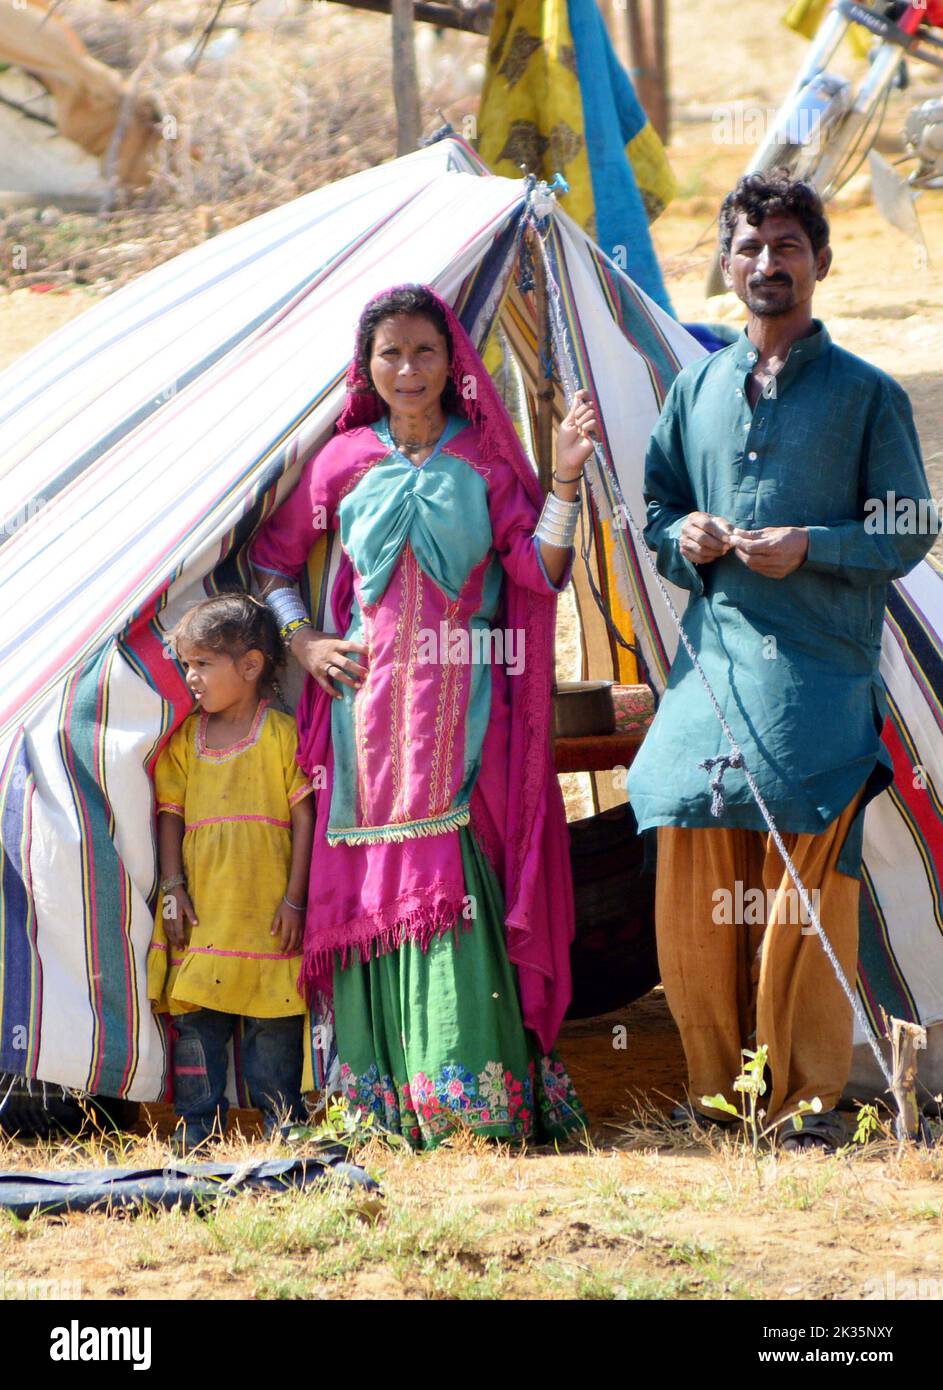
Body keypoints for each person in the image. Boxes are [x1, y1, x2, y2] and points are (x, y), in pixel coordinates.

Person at [627, 171, 937, 1151]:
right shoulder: (695, 388)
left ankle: (806, 1102)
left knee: (804, 902)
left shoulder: (865, 397)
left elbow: (906, 528)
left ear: (819, 261)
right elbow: (658, 513)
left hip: (815, 682)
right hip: (710, 682)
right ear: (726, 263)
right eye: (750, 247)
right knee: (687, 864)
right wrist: (694, 538)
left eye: (786, 246)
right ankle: (716, 1095)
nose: (767, 264)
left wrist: (816, 544)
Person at [249, 283, 595, 1149]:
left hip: (464, 709)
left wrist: (561, 476)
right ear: (366, 367)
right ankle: (377, 1105)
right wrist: (303, 643)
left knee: (454, 882)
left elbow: (538, 571)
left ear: (453, 364)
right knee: (371, 887)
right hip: (362, 715)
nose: (407, 369)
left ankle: (467, 1109)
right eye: (389, 354)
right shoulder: (338, 463)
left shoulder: (482, 461)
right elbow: (270, 561)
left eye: (424, 352)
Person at [147, 593, 315, 1153]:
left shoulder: (281, 736)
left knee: (273, 1029)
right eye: (188, 664)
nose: (190, 677)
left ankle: (282, 1125)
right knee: (196, 1026)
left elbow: (304, 816)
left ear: (250, 665)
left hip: (268, 921)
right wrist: (172, 889)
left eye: (203, 664)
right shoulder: (184, 743)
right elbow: (169, 819)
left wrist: (295, 901)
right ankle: (199, 1129)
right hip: (205, 920)